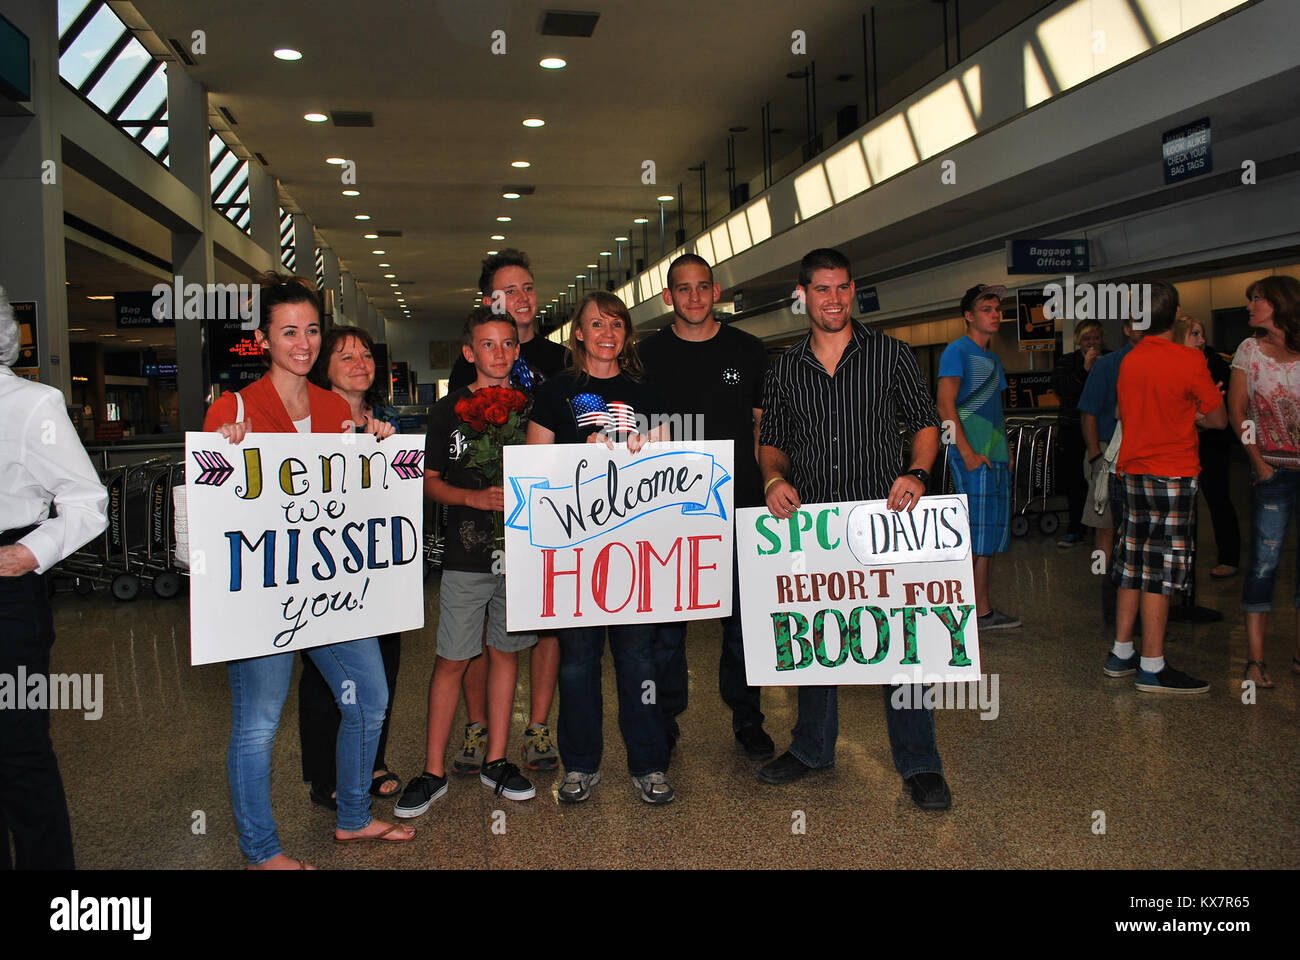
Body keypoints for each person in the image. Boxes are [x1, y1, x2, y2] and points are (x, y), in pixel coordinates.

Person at [204, 273, 414, 868]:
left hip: (330, 591)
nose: (304, 343)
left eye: (312, 330)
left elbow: (357, 503)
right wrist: (223, 446)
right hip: (263, 597)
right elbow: (207, 499)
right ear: (264, 338)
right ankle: (262, 850)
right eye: (289, 331)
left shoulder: (331, 408)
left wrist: (378, 447)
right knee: (258, 724)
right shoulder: (234, 407)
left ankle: (351, 816)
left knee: (369, 698)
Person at [757, 248, 951, 811]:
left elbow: (924, 424)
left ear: (853, 289)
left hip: (885, 522)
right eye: (822, 289)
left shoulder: (891, 355)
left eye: (842, 288)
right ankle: (812, 748)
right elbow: (772, 443)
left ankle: (920, 763)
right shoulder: (786, 368)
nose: (834, 299)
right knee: (817, 635)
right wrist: (772, 480)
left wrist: (917, 473)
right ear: (804, 297)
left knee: (904, 642)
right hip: (814, 525)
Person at [527, 291, 675, 804]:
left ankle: (649, 763)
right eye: (596, 324)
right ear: (579, 335)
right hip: (576, 550)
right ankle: (581, 764)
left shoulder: (647, 389)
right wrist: (576, 454)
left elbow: (671, 468)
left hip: (634, 550)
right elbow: (533, 467)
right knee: (577, 661)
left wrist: (653, 448)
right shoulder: (556, 391)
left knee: (638, 658)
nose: (607, 333)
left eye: (616, 324)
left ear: (627, 334)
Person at [396, 308, 539, 816]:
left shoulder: (532, 409)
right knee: (454, 657)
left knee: (506, 652)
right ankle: (433, 771)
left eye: (507, 344)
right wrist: (473, 499)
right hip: (466, 552)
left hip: (521, 552)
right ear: (469, 352)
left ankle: (497, 761)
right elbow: (429, 480)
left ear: (517, 349)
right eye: (488, 344)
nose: (499, 353)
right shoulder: (447, 411)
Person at [637, 253, 775, 762]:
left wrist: (768, 487)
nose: (693, 297)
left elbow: (763, 428)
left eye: (702, 288)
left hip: (739, 507)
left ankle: (748, 718)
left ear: (716, 292)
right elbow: (626, 426)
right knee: (668, 629)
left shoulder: (749, 350)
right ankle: (666, 719)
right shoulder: (646, 356)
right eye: (682, 289)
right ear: (668, 296)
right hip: (669, 513)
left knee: (742, 624)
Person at [0, 285, 108, 869]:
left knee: (17, 754)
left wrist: (26, 554)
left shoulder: (30, 404)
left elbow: (89, 501)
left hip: (7, 596)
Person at [447, 250, 563, 775]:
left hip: (550, 516)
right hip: (486, 524)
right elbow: (457, 450)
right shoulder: (466, 364)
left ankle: (538, 727)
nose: (520, 299)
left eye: (527, 288)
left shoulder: (561, 359)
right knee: (482, 629)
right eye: (506, 292)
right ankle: (478, 726)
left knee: (547, 627)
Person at [297, 325, 403, 810]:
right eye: (346, 357)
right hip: (327, 572)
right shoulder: (308, 423)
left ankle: (372, 761)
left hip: (378, 566)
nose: (360, 363)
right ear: (325, 369)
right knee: (327, 678)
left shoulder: (387, 420)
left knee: (384, 664)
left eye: (365, 355)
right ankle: (326, 775)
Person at [1102, 281, 1226, 694]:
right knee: (1161, 570)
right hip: (1172, 473)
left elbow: (1123, 411)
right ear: (1174, 316)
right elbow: (1219, 419)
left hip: (1132, 471)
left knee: (1133, 562)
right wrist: (1190, 412)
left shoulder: (1129, 361)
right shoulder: (1189, 360)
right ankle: (1152, 665)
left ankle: (1121, 652)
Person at [1227, 275, 1300, 689]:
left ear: (1280, 303)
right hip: (1272, 470)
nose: (1251, 306)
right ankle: (1255, 661)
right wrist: (1258, 461)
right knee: (1264, 562)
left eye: (1257, 299)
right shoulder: (1249, 351)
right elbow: (1237, 410)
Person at [936, 284, 1020, 630]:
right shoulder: (957, 351)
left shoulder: (992, 358)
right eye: (987, 308)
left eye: (997, 308)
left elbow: (995, 410)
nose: (995, 314)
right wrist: (965, 453)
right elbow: (944, 405)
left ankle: (981, 609)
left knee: (988, 538)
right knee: (971, 537)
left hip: (993, 454)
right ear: (969, 315)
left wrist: (1006, 449)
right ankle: (959, 614)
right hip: (971, 456)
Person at [1078, 316, 1145, 627]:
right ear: (1127, 330)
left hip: (1143, 453)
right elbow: (1088, 413)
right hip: (1108, 450)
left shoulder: (1157, 361)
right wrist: (1095, 455)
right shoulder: (1108, 365)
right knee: (1104, 526)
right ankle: (1107, 593)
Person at [1175, 317, 1240, 580]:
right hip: (1180, 446)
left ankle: (1229, 557)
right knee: (1179, 507)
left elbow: (1216, 413)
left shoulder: (1214, 365)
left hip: (1211, 445)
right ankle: (1180, 563)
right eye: (1195, 334)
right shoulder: (1171, 366)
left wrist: (1193, 414)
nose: (1202, 340)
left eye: (1202, 334)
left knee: (1218, 499)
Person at [1051, 320, 1107, 547]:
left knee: (1104, 480)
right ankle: (1076, 528)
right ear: (1078, 341)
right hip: (1074, 430)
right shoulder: (1067, 362)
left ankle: (1105, 528)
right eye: (1086, 339)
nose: (1091, 343)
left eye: (1096, 338)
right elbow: (1062, 390)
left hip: (1104, 431)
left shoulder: (1111, 361)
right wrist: (1085, 370)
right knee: (1076, 482)